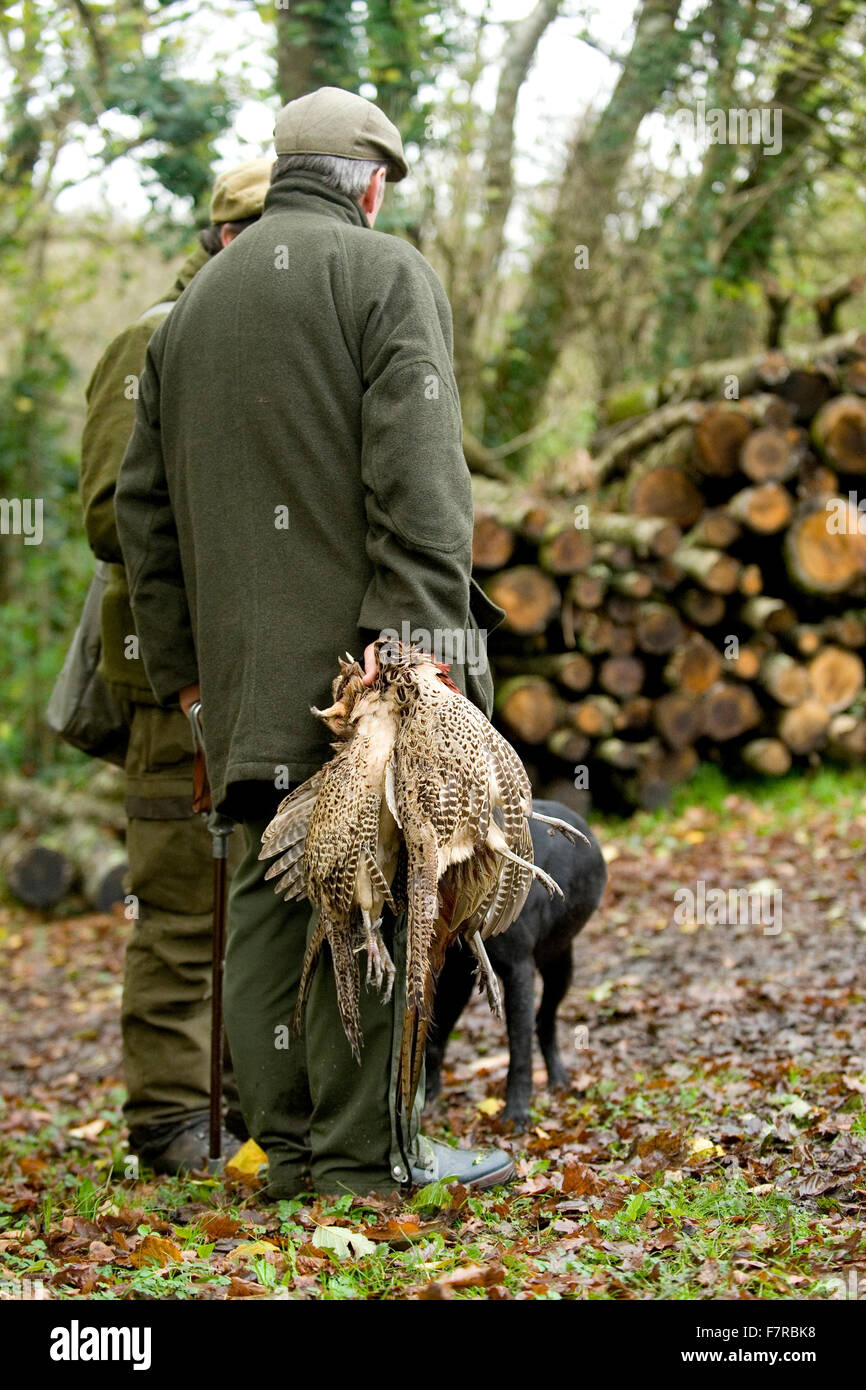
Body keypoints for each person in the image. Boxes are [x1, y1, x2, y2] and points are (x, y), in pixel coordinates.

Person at [116, 87, 514, 1197]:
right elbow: (422, 487)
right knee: (374, 901)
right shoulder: (384, 275)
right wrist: (419, 648)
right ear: (372, 183)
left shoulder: (193, 307)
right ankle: (359, 1163)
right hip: (366, 676)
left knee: (261, 902)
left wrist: (189, 677)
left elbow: (139, 515)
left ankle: (281, 1152)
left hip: (239, 685)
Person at [80, 160, 273, 1175]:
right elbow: (110, 512)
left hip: (265, 679)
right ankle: (170, 1124)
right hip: (168, 679)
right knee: (177, 906)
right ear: (230, 238)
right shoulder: (154, 336)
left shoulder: (275, 344)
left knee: (254, 902)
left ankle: (240, 1110)